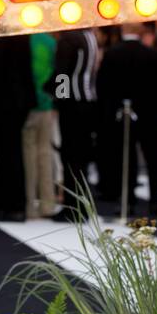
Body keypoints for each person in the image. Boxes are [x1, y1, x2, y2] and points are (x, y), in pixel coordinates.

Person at [95, 22, 157, 215]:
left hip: (120, 115)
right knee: (152, 158)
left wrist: (106, 114)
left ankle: (127, 199)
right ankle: (154, 199)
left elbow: (102, 87)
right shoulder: (151, 54)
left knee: (125, 157)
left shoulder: (112, 54)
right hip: (149, 115)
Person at [0, 33, 36, 221]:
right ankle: (17, 205)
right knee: (18, 154)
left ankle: (6, 204)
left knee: (5, 154)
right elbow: (33, 69)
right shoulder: (25, 37)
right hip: (23, 102)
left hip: (5, 101)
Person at [49, 26, 98, 222]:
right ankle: (82, 205)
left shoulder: (69, 38)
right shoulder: (90, 36)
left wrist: (58, 99)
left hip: (72, 105)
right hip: (87, 101)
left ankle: (73, 207)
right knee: (82, 157)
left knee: (71, 156)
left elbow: (62, 73)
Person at [21, 30, 58, 219]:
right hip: (48, 103)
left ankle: (29, 204)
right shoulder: (51, 42)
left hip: (28, 103)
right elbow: (60, 72)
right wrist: (60, 100)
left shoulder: (23, 40)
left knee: (28, 155)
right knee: (45, 154)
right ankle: (48, 204)